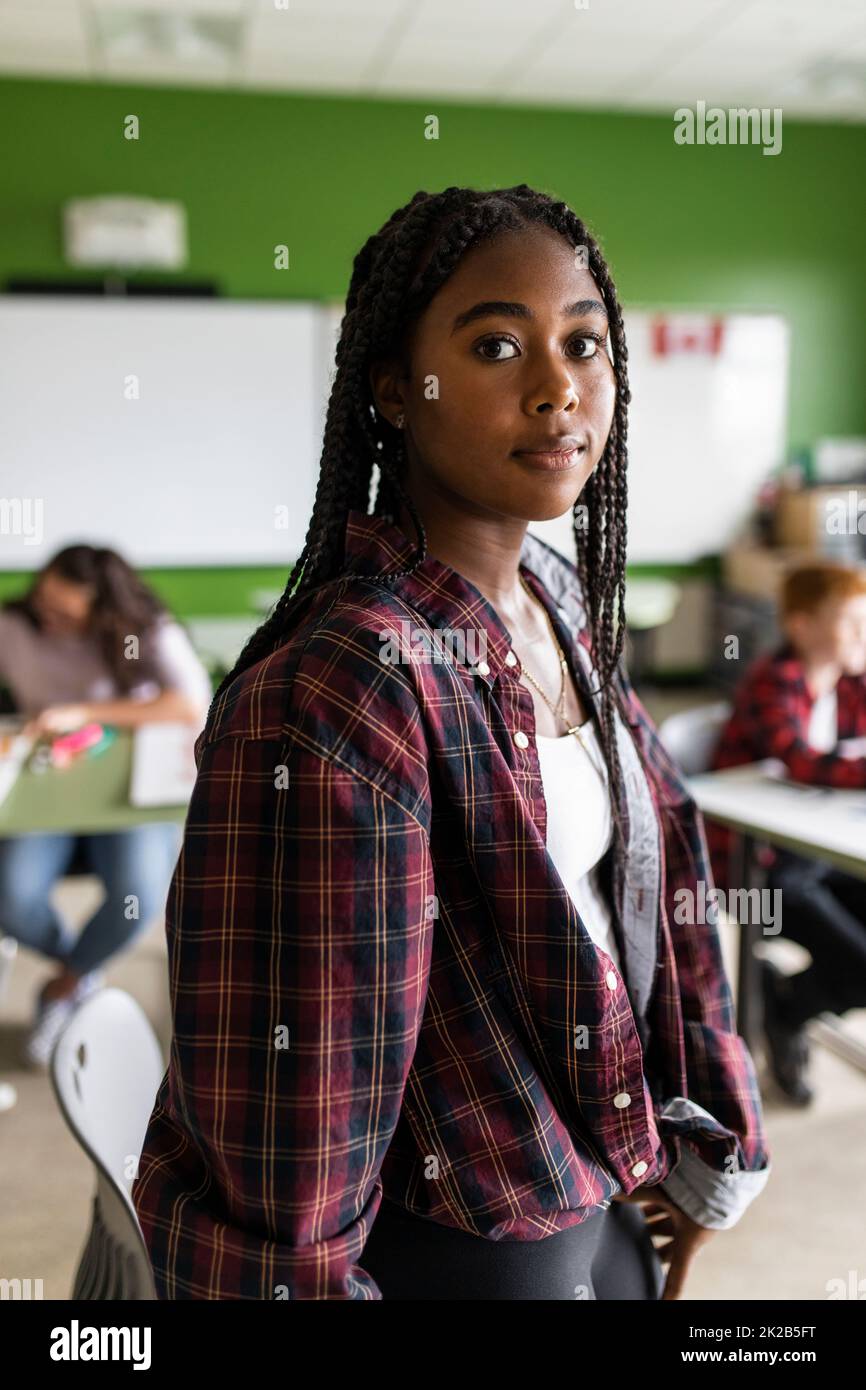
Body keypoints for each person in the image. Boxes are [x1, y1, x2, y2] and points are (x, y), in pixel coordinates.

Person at [132, 185, 771, 1302]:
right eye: (494, 345)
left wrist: (689, 1138)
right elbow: (295, 1121)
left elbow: (653, 881)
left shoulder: (561, 601)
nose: (557, 386)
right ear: (394, 387)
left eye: (584, 343)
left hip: (599, 1194)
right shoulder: (345, 689)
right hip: (461, 1256)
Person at [0, 543, 213, 1067]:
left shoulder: (143, 630)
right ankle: (82, 974)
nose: (47, 618)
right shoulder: (13, 625)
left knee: (136, 894)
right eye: (43, 602)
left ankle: (63, 987)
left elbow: (190, 703)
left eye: (65, 613)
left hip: (129, 788)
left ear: (104, 613)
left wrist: (82, 712)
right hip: (45, 782)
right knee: (12, 898)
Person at [706, 563, 866, 1107]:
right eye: (849, 623)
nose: (861, 635)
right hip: (757, 867)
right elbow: (799, 760)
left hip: (813, 854)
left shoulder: (848, 684)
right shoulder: (774, 681)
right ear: (800, 626)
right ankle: (790, 1006)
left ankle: (787, 998)